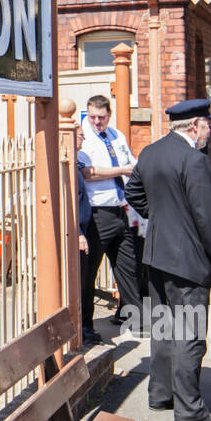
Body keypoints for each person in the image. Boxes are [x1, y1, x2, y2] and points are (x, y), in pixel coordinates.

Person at [125, 99, 211, 421]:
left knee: (162, 327)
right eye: (208, 125)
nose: (210, 131)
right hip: (188, 260)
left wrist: (159, 219)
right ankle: (190, 409)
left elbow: (134, 193)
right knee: (189, 334)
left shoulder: (151, 152)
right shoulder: (194, 159)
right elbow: (207, 217)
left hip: (156, 255)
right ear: (195, 125)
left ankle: (161, 394)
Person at [78, 95, 142, 337]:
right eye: (93, 116)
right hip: (97, 212)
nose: (97, 122)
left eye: (102, 117)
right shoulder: (83, 137)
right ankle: (85, 325)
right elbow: (86, 172)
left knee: (128, 265)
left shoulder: (117, 135)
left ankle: (133, 316)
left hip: (121, 208)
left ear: (109, 114)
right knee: (89, 270)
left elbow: (131, 162)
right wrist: (121, 170)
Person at [72, 119, 99, 346]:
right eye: (80, 134)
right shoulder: (67, 165)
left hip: (82, 232)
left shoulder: (74, 162)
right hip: (75, 236)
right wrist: (79, 232)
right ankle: (77, 332)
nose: (83, 138)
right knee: (77, 286)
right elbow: (70, 203)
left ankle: (82, 329)